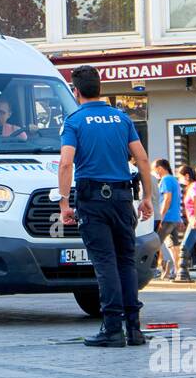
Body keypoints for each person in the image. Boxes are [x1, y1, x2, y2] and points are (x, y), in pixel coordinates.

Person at [58, 65, 153, 348]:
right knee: (126, 260)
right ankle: (134, 329)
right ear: (100, 88)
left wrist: (64, 203)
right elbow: (142, 159)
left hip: (93, 199)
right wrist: (147, 197)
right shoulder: (122, 119)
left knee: (105, 263)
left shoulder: (74, 121)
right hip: (124, 199)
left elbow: (66, 163)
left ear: (76, 91)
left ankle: (112, 328)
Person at [152, 158, 183, 280]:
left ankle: (158, 268)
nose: (155, 172)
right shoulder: (174, 180)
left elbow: (167, 199)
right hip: (174, 217)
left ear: (160, 168)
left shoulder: (165, 180)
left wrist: (160, 217)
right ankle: (177, 271)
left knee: (154, 244)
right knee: (174, 245)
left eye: (155, 169)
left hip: (167, 218)